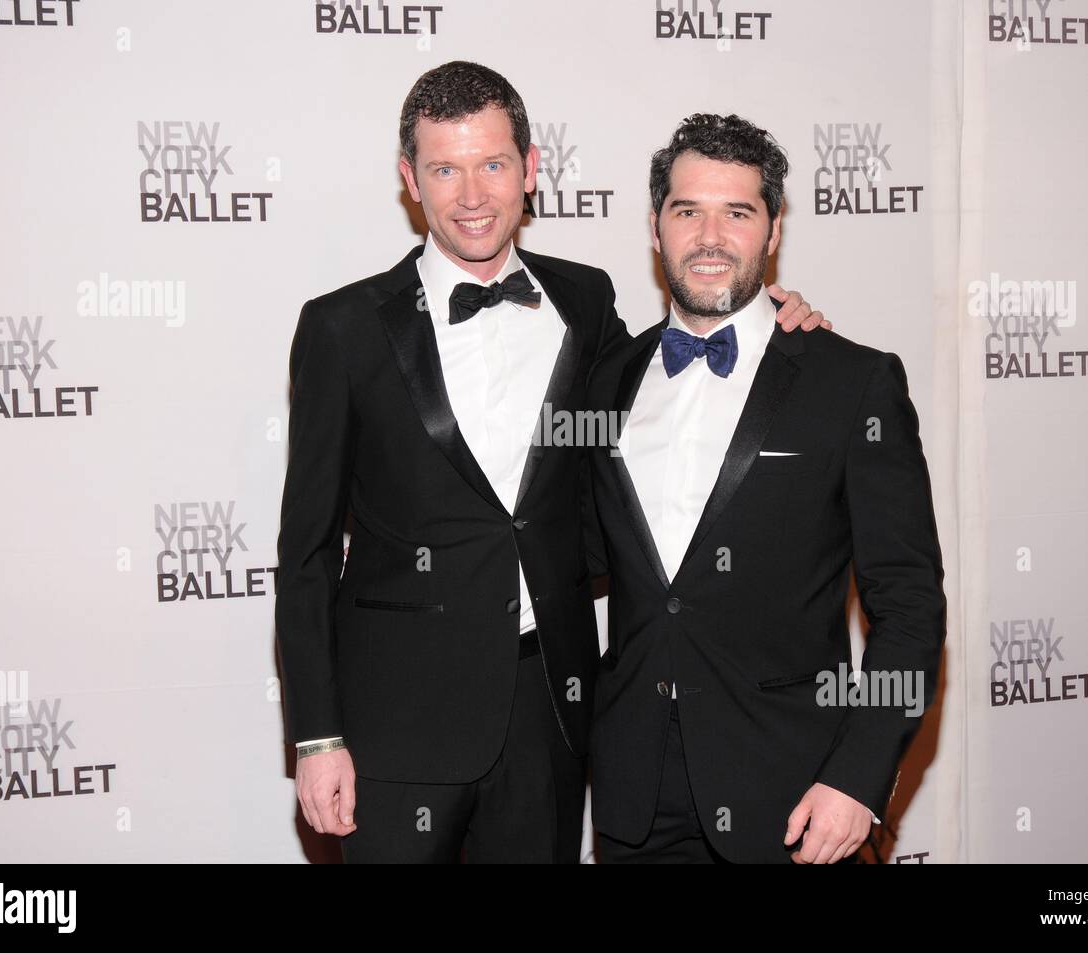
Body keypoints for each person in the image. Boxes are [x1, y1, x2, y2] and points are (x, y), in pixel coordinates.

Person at [275, 62, 829, 863]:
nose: (471, 195)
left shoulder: (586, 301)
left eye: (493, 164)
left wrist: (769, 318)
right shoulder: (341, 330)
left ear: (531, 169)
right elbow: (307, 552)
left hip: (552, 706)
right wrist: (318, 733)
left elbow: (674, 375)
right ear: (409, 179)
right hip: (394, 723)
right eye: (445, 168)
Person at [587, 113, 946, 863]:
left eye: (738, 212)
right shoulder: (608, 378)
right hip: (633, 801)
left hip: (795, 798)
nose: (710, 236)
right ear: (656, 228)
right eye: (688, 210)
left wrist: (858, 777)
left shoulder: (851, 381)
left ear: (773, 229)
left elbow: (909, 606)